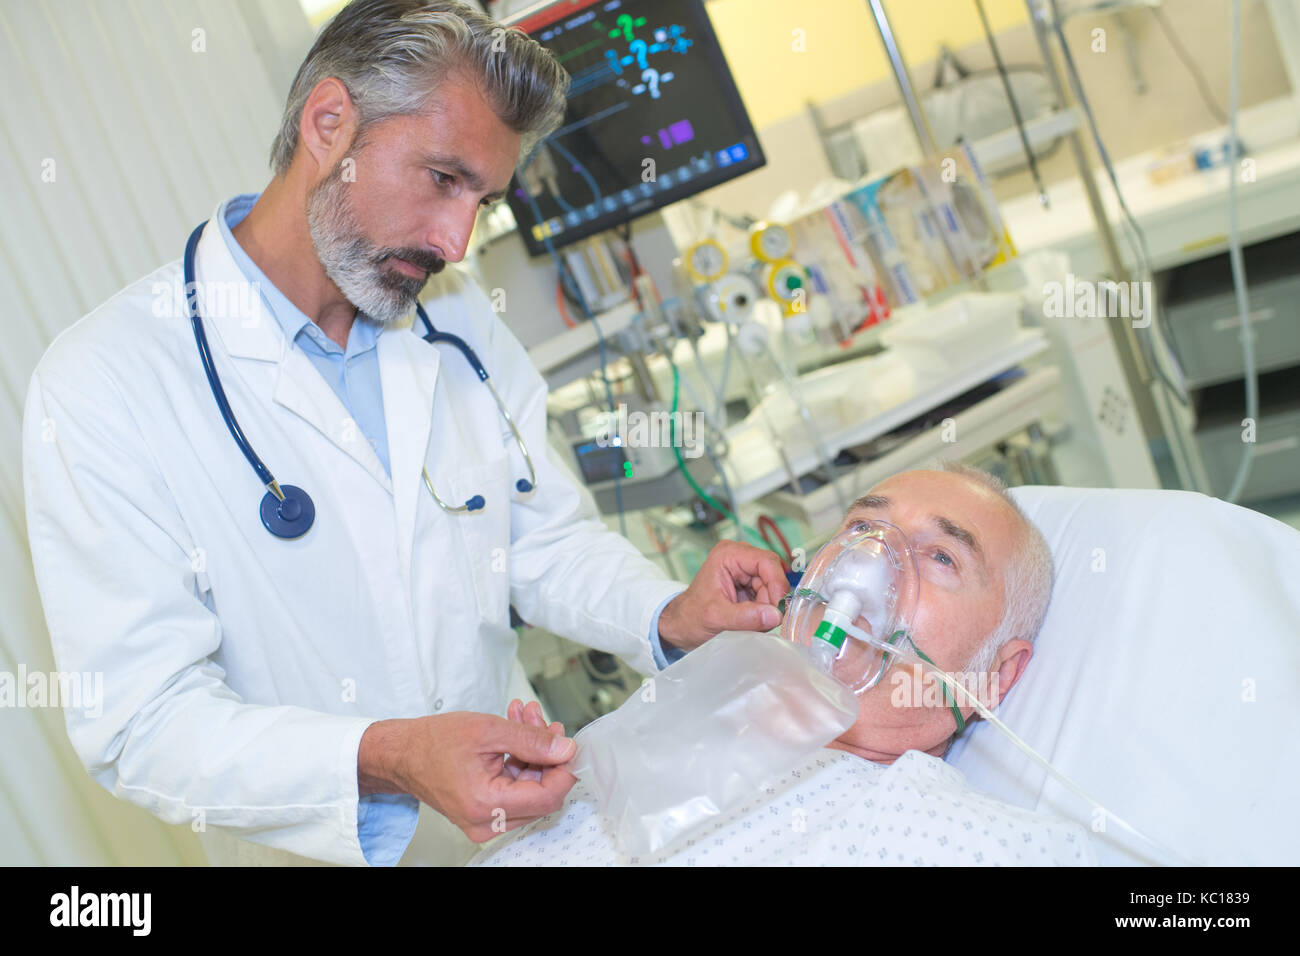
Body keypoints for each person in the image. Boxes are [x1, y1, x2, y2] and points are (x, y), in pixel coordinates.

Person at [21, 0, 787, 867]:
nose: (457, 241)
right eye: (442, 179)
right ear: (329, 122)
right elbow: (140, 723)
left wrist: (668, 613)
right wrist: (388, 758)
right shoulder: (106, 382)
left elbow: (538, 541)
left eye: (485, 202)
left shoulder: (455, 322)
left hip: (521, 840)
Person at [473, 464, 1097, 866]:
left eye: (940, 558)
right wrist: (551, 803)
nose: (867, 565)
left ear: (998, 675)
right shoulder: (666, 734)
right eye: (861, 528)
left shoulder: (973, 844)